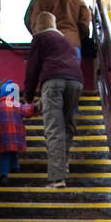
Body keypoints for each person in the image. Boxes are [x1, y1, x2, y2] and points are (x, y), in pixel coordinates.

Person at [23, 12, 83, 187]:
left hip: (53, 81)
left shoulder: (40, 38)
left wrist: (28, 97)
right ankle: (62, 164)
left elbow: (32, 69)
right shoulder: (66, 42)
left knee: (54, 128)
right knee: (68, 125)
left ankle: (57, 178)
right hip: (76, 82)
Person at [28, 0, 92, 57]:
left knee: (49, 69)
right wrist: (81, 35)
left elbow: (34, 25)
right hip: (71, 43)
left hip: (48, 45)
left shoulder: (39, 2)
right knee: (71, 69)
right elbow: (84, 21)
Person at [0, 79, 37, 183]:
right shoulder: (18, 105)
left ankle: (3, 175)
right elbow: (28, 111)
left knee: (5, 156)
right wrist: (35, 107)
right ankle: (15, 167)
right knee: (13, 152)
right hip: (16, 136)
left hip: (3, 136)